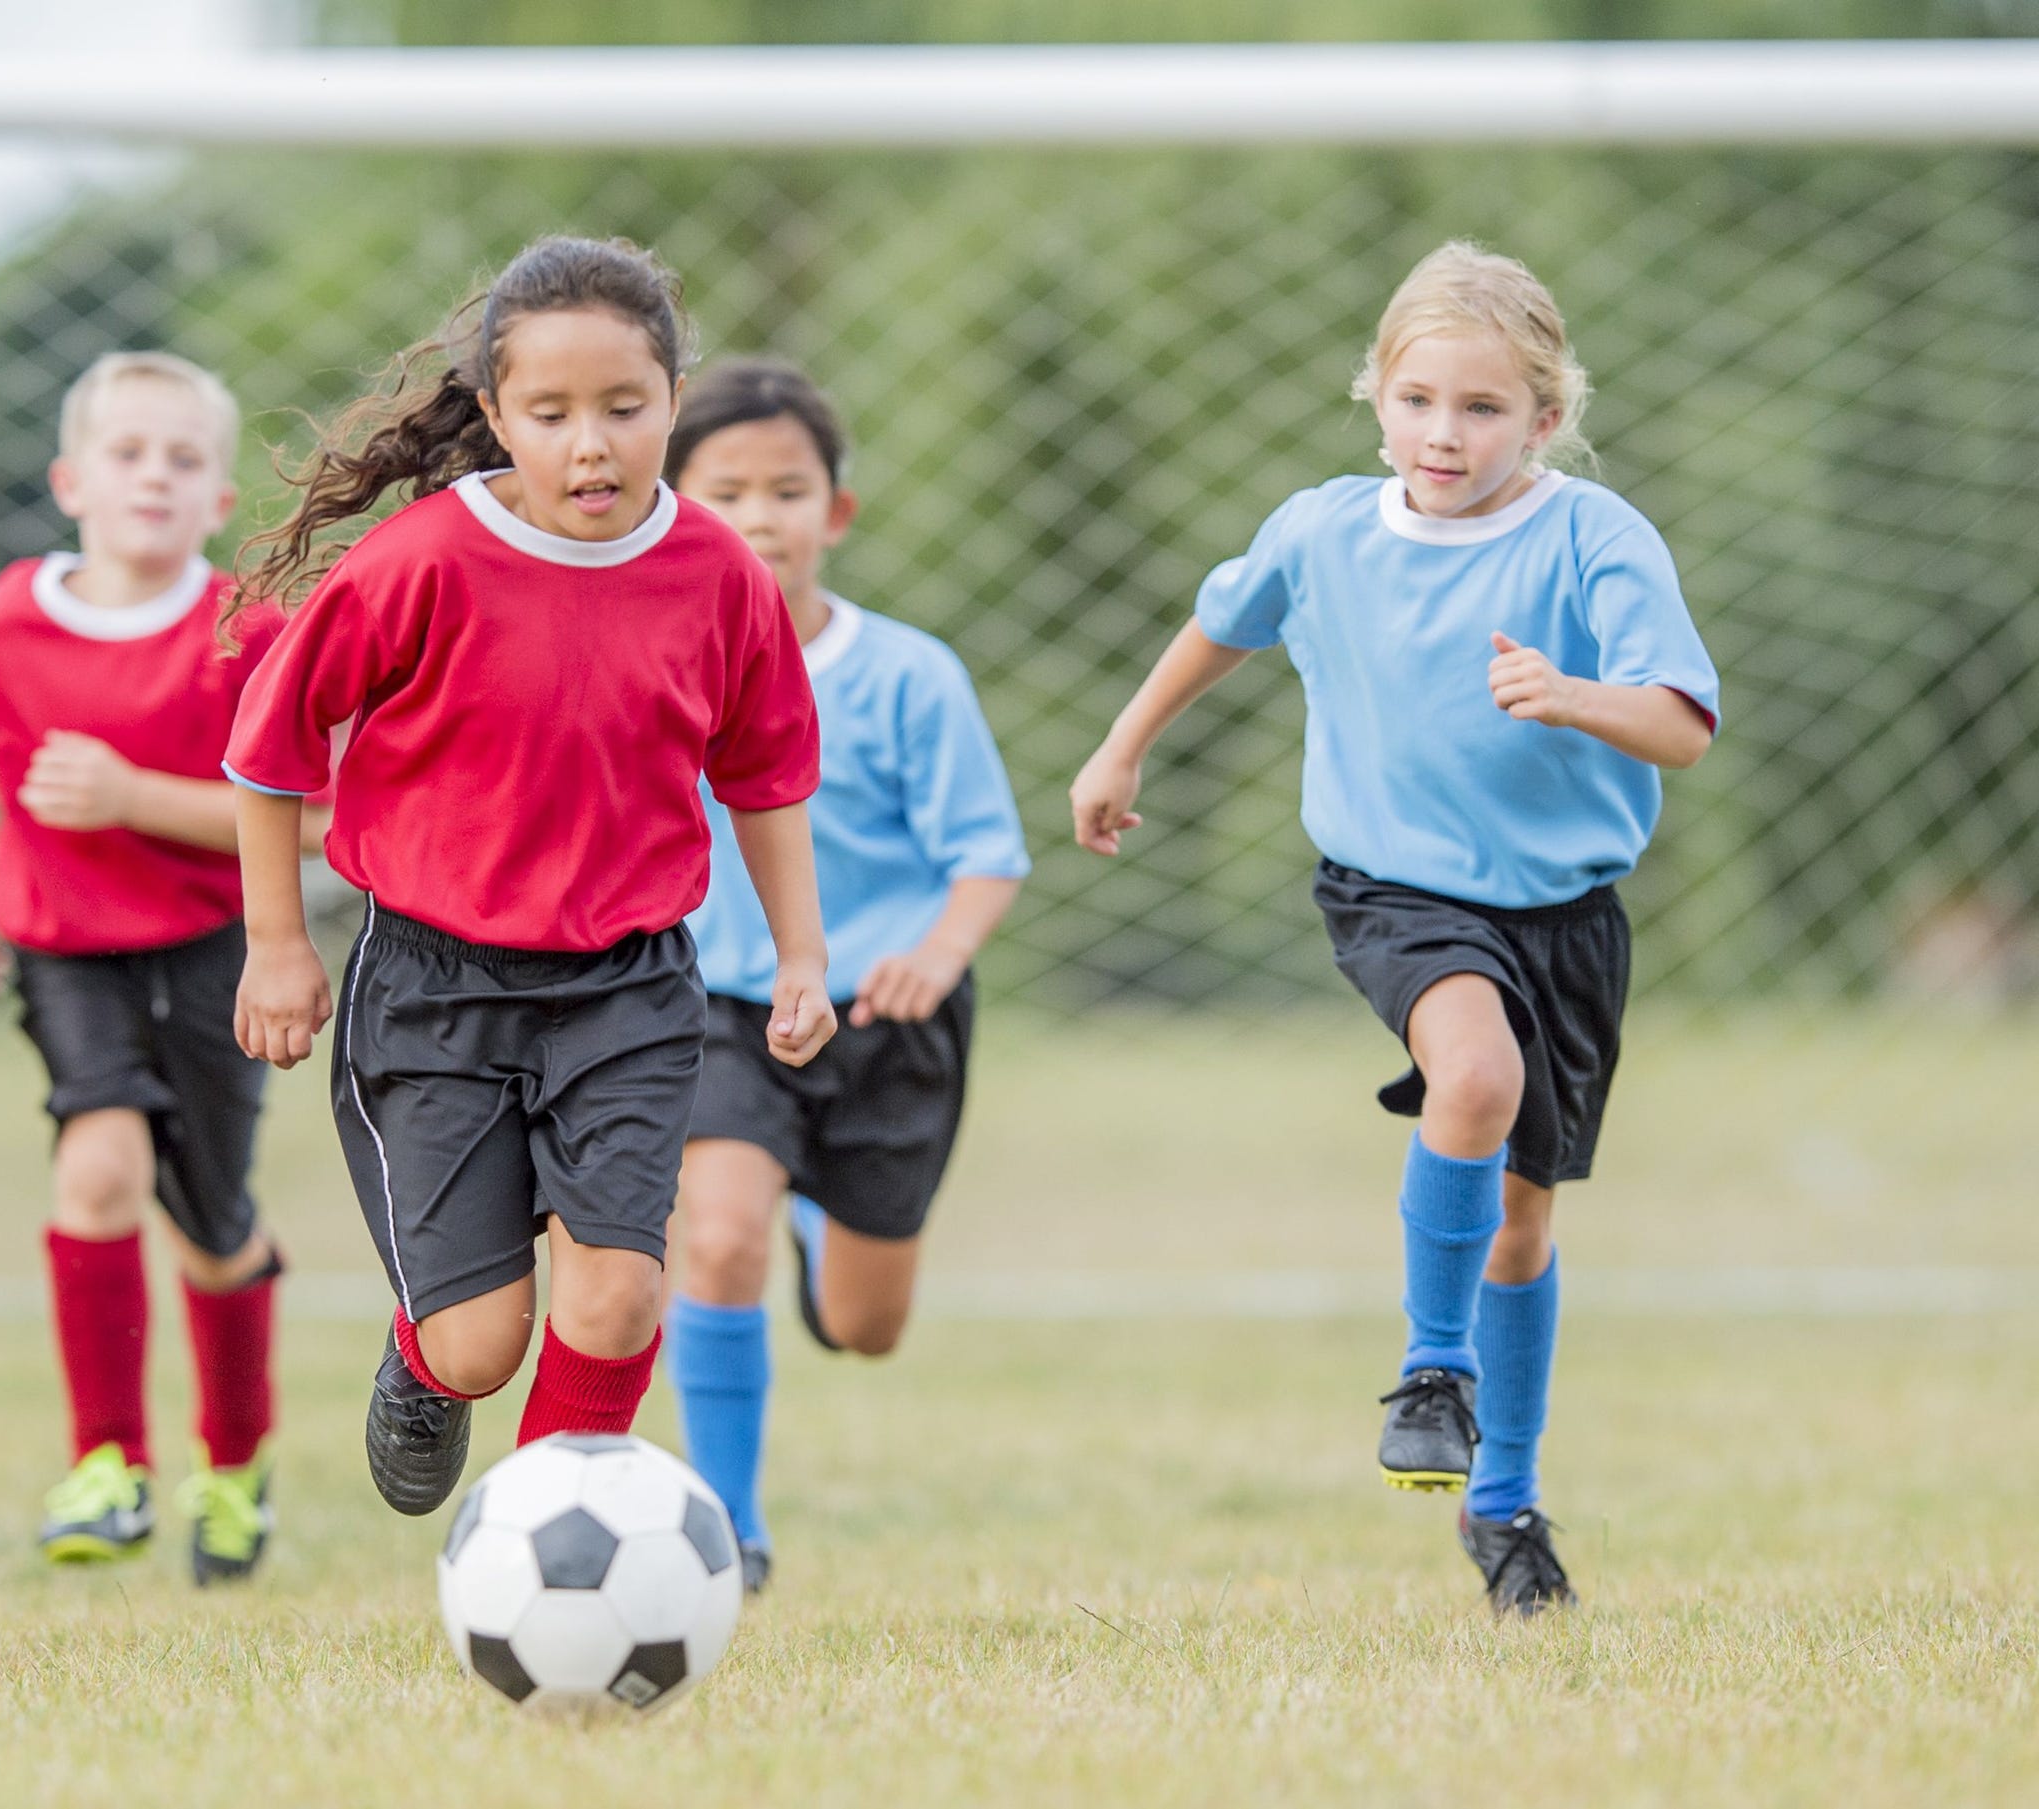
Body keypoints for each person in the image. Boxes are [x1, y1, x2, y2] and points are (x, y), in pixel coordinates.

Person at [1069, 241, 1718, 1614]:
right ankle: (1433, 1372)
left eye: (1483, 409)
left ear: (1545, 419)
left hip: (1566, 916)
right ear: (1376, 393)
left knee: (1524, 1225)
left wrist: (1572, 694)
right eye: (1420, 398)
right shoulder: (1323, 529)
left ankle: (1504, 1505)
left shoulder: (1594, 537)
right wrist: (1122, 745)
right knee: (1473, 1078)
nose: (1445, 432)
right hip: (1397, 891)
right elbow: (1222, 620)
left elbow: (1679, 721)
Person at [224, 235, 837, 1518]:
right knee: (479, 1345)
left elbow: (765, 776)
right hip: (433, 989)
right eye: (549, 415)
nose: (591, 446)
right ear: (495, 415)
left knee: (615, 1294)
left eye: (625, 408)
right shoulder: (420, 565)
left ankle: (537, 1538)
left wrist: (800, 956)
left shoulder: (721, 577)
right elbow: (269, 751)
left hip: (629, 986)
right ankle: (419, 1363)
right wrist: (277, 948)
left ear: (674, 398)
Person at [661, 359, 1030, 1595]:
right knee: (713, 1243)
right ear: (676, 507)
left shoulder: (909, 675)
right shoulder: (656, 668)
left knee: (865, 1331)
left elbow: (983, 855)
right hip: (719, 1008)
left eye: (787, 489)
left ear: (836, 512)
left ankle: (824, 1220)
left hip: (882, 1021)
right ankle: (727, 1529)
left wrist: (933, 956)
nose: (759, 517)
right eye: (726, 491)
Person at [0, 351, 287, 1583]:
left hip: (214, 950)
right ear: (70, 480)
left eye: (183, 460)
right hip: (63, 944)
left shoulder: (250, 630)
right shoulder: (0, 621)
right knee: (97, 1166)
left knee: (213, 1228)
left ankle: (234, 1465)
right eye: (128, 454)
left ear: (219, 499)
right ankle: (106, 1463)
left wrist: (133, 797)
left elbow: (311, 817)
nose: (154, 477)